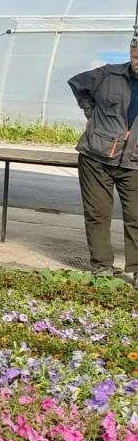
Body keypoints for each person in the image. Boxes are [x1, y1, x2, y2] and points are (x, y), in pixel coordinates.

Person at [69, 37, 138, 281]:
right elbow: (77, 84)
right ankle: (102, 267)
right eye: (135, 56)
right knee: (97, 214)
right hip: (96, 157)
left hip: (134, 162)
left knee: (136, 216)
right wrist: (91, 113)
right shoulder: (108, 75)